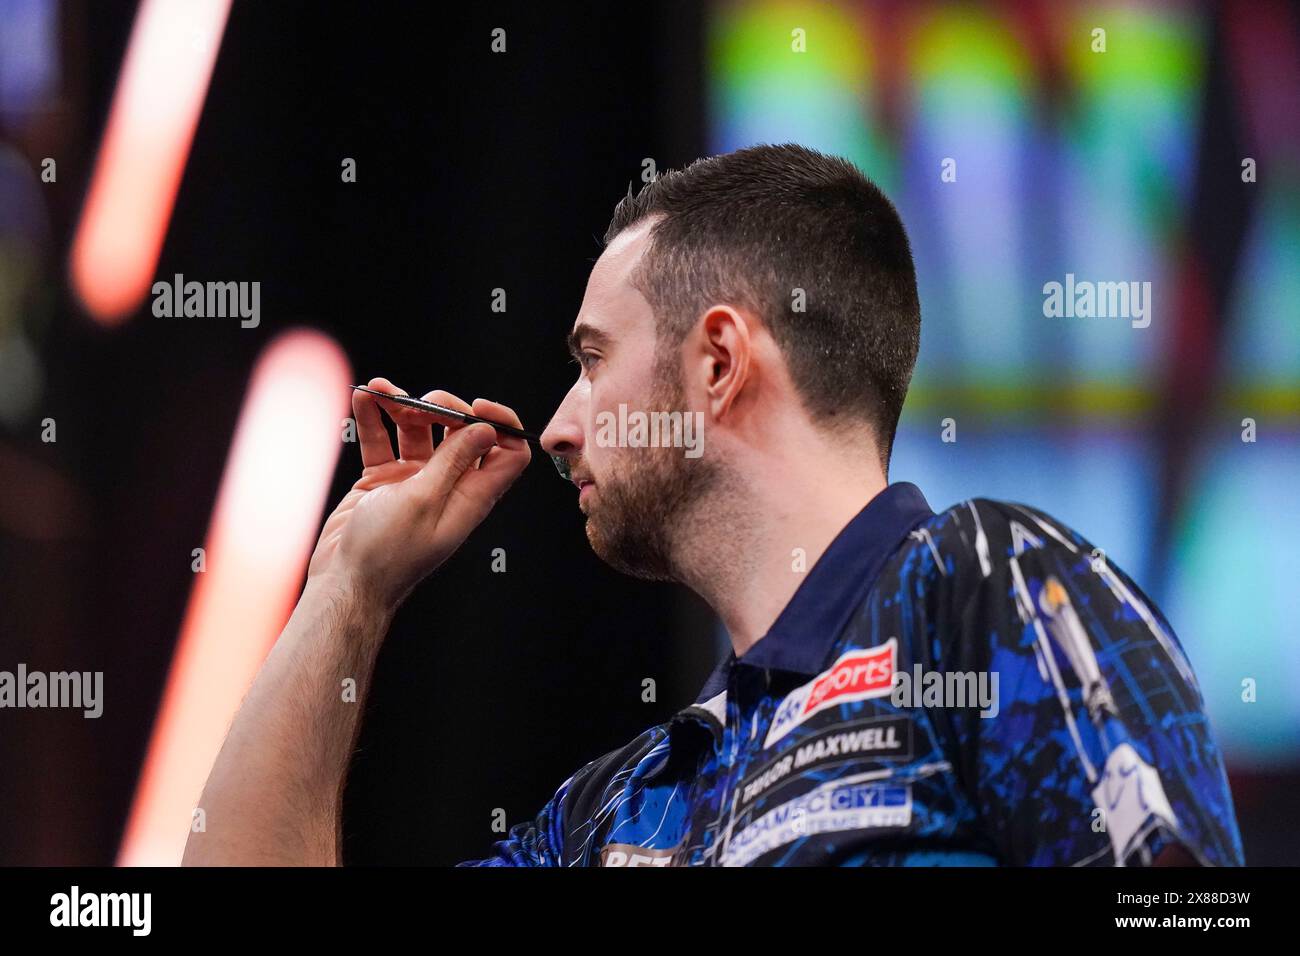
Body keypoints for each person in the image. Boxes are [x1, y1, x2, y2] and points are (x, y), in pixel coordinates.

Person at [183, 144, 1244, 867]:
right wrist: (348, 586)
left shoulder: (984, 589)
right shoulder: (616, 812)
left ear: (719, 362)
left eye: (593, 361)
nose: (554, 427)